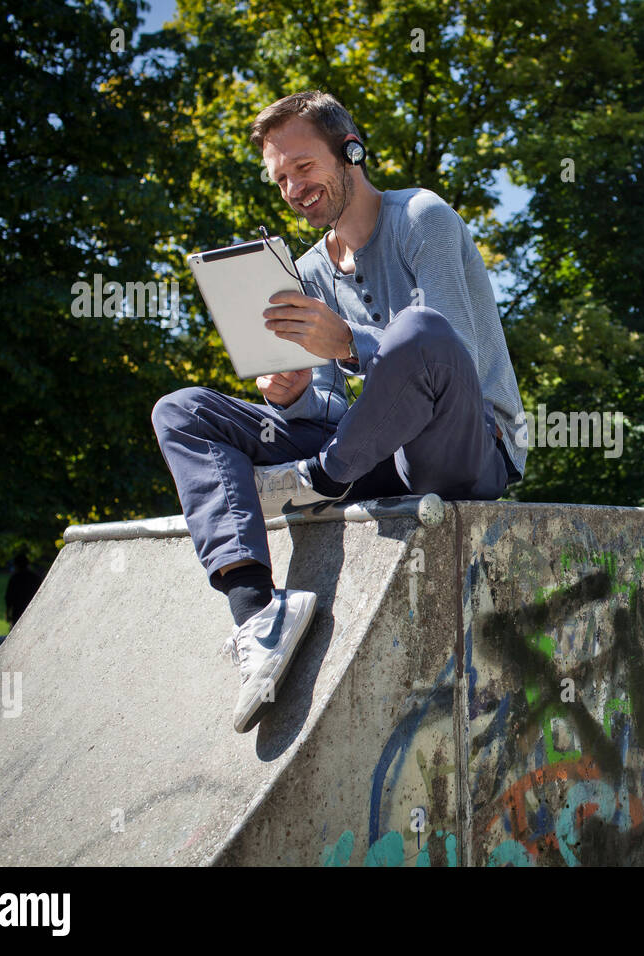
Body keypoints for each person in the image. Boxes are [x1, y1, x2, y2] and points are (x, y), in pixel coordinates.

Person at [152, 91, 526, 733]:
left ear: (350, 151)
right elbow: (328, 407)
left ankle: (316, 483)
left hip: (468, 446)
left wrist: (350, 344)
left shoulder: (421, 217)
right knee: (182, 410)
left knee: (418, 330)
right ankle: (256, 614)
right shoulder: (308, 271)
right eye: (281, 179)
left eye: (304, 166)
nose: (294, 188)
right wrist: (295, 390)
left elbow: (448, 353)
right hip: (367, 452)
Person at [5, 555, 42, 625]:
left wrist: (7, 612)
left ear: (16, 565)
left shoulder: (15, 578)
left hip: (18, 612)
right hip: (34, 611)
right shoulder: (35, 578)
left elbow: (9, 597)